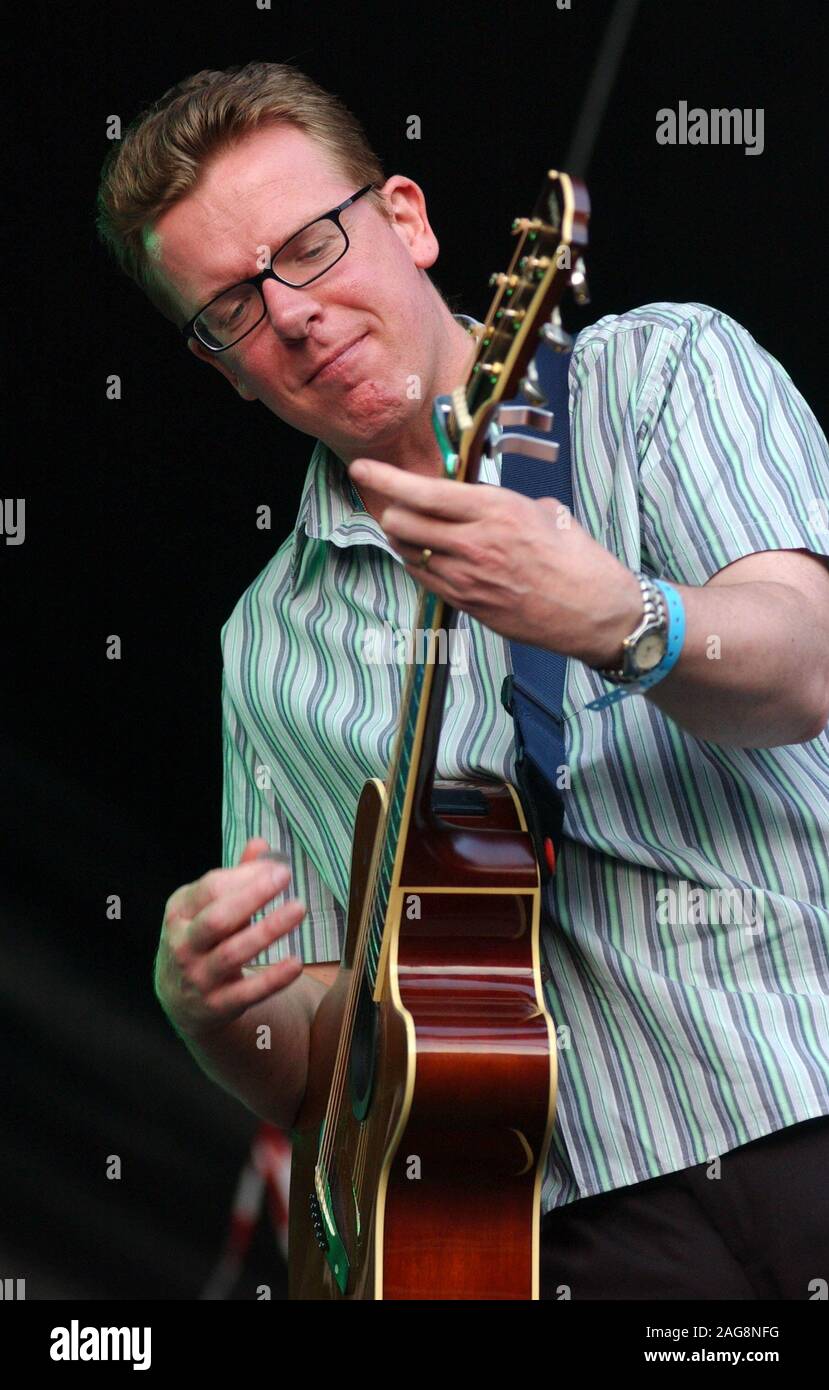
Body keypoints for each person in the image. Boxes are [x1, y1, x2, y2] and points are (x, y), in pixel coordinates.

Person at [96, 60, 829, 1300]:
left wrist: (624, 616)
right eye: (231, 305)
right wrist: (221, 1018)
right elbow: (332, 1043)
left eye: (310, 247)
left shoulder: (654, 377)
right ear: (220, 364)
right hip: (561, 1225)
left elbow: (805, 662)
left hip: (804, 1077)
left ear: (407, 220)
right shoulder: (268, 641)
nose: (291, 314)